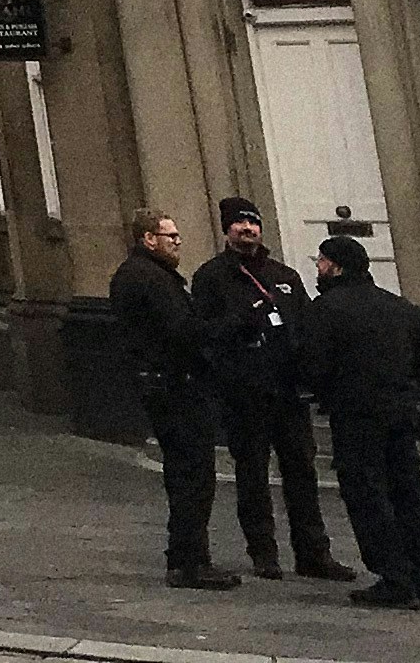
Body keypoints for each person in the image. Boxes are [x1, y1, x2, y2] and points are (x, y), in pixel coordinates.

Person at [189, 198, 347, 580]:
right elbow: (203, 335)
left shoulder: (285, 276)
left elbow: (305, 324)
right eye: (239, 224)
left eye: (253, 223)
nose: (248, 230)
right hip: (244, 392)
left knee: (301, 472)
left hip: (287, 390)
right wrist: (239, 325)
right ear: (227, 230)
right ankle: (263, 552)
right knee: (253, 473)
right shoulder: (211, 277)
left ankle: (313, 552)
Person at [297, 232, 420, 613]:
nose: (318, 268)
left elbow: (313, 367)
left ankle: (394, 578)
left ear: (336, 266)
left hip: (357, 417)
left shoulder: (326, 310)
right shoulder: (399, 307)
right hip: (401, 414)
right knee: (409, 494)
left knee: (368, 497)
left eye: (321, 262)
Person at [110, 205, 236, 588]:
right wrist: (222, 331)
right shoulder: (150, 279)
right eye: (172, 237)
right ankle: (189, 561)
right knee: (192, 474)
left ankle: (187, 557)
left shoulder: (144, 275)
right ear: (150, 239)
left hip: (167, 383)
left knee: (188, 473)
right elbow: (181, 332)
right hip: (175, 386)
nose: (179, 243)